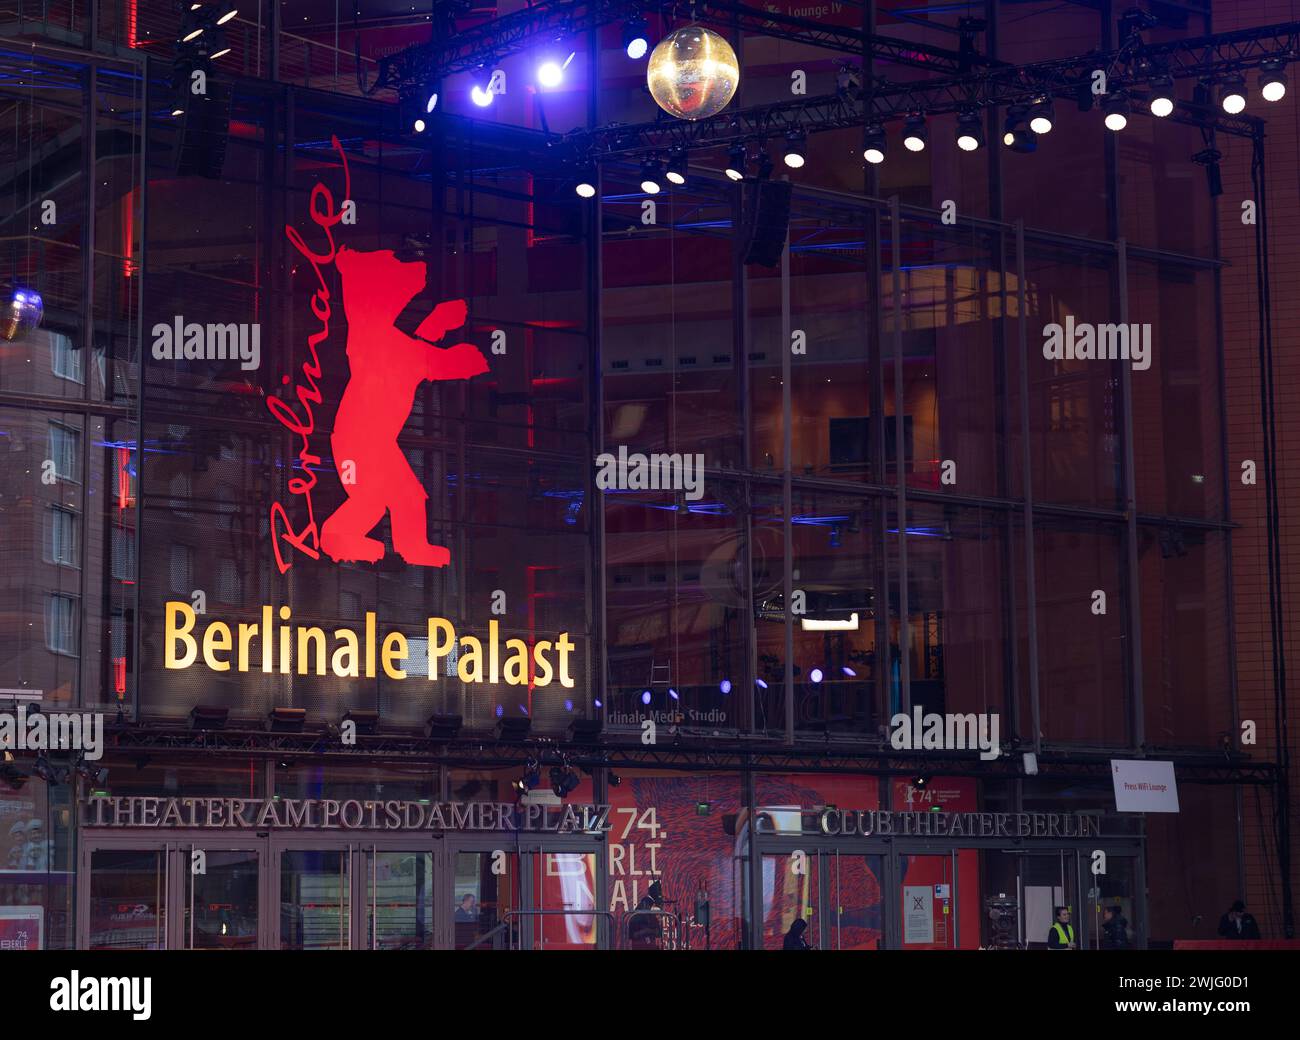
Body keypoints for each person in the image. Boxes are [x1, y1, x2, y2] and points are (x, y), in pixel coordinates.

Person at [626, 881, 665, 949]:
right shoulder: (646, 904)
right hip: (640, 938)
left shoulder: (645, 903)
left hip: (640, 937)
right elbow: (645, 922)